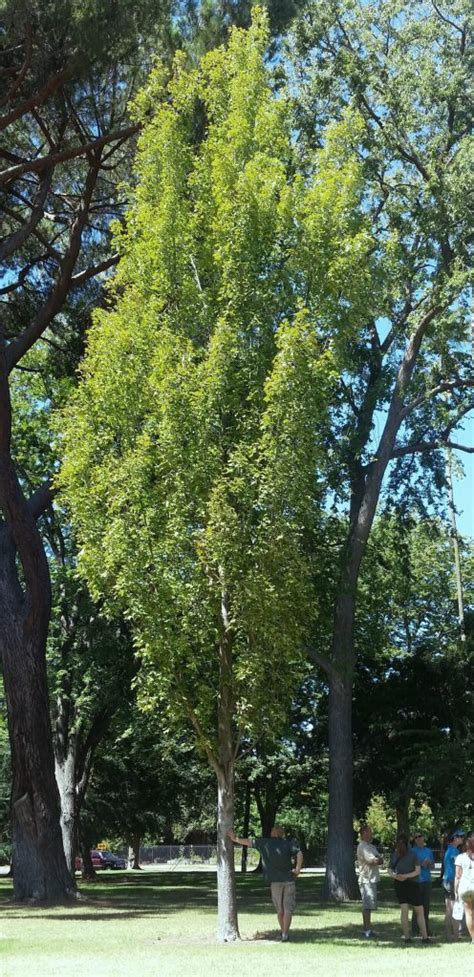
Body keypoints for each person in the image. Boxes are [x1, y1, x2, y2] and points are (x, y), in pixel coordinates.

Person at [228, 825, 303, 942]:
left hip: (275, 882)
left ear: (274, 832)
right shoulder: (288, 843)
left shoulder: (265, 843)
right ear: (282, 833)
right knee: (288, 909)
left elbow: (249, 842)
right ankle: (285, 933)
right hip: (289, 880)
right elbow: (299, 853)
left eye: (272, 829)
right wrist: (297, 869)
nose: (270, 831)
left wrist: (235, 838)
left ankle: (283, 933)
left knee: (280, 910)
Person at [389, 833, 430, 943]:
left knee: (404, 911)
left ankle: (407, 937)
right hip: (413, 884)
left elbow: (390, 870)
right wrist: (405, 876)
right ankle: (425, 937)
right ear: (408, 843)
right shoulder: (413, 855)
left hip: (399, 885)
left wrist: (397, 877)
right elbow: (417, 871)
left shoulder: (394, 855)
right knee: (419, 912)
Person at [356, 824, 383, 938]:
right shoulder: (362, 846)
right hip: (366, 880)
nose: (371, 833)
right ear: (364, 834)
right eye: (369, 832)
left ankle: (369, 929)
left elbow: (380, 859)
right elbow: (373, 861)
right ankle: (366, 930)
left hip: (372, 879)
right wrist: (378, 859)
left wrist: (379, 859)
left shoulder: (371, 846)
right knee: (367, 906)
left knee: (370, 905)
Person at [411, 830, 434, 936]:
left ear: (424, 838)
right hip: (416, 881)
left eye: (420, 836)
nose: (419, 838)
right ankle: (415, 930)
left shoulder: (428, 851)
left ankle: (426, 929)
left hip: (427, 881)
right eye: (416, 837)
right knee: (417, 907)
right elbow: (410, 865)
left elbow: (433, 866)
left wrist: (429, 864)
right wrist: (421, 863)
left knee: (426, 907)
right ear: (414, 840)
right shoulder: (412, 851)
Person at [443, 828, 465, 939]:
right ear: (455, 838)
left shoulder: (449, 849)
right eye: (460, 836)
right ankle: (456, 935)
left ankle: (448, 934)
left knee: (448, 909)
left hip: (446, 880)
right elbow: (459, 869)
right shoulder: (454, 852)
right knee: (454, 908)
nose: (462, 838)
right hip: (451, 881)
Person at [455, 831, 474, 943]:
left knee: (469, 913)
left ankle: (473, 938)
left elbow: (457, 876)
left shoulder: (460, 857)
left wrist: (455, 890)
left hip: (465, 888)